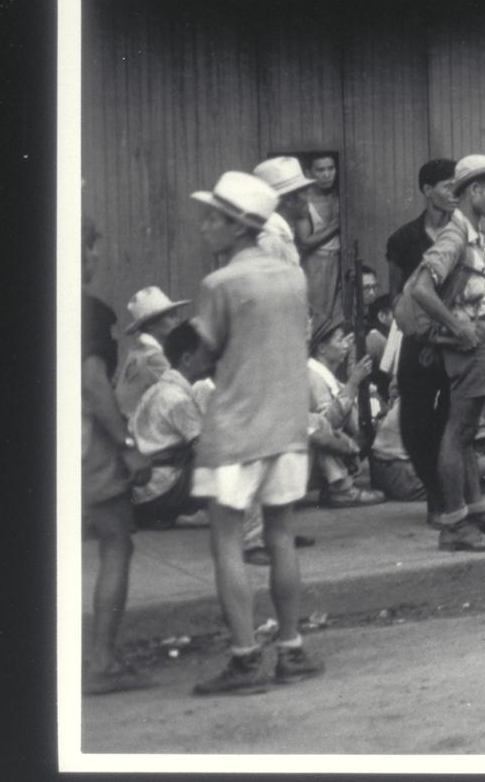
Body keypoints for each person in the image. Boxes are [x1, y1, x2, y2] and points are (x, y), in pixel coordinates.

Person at [183, 170, 322, 695]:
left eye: (211, 218)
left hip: (233, 430)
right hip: (285, 426)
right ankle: (291, 649)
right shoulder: (293, 277)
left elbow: (204, 356)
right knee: (281, 536)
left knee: (227, 543)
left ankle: (244, 659)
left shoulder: (219, 284)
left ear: (236, 226)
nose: (204, 227)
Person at [407, 154, 485, 553]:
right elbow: (422, 289)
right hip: (468, 346)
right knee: (459, 432)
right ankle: (455, 522)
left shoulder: (472, 232)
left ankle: (476, 511)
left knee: (468, 431)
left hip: (480, 340)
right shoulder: (455, 235)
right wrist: (458, 326)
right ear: (473, 190)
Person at [82, 215, 151, 696]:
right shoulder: (87, 312)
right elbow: (92, 387)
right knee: (115, 542)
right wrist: (126, 445)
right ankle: (102, 660)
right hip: (86, 443)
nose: (95, 255)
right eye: (89, 245)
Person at [386, 158, 458, 525]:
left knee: (451, 416)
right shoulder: (404, 239)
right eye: (447, 185)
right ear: (427, 190)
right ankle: (434, 491)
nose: (454, 193)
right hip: (417, 340)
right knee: (415, 420)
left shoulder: (464, 235)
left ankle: (450, 497)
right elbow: (396, 293)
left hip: (456, 339)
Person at [130, 320, 213, 531]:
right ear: (187, 359)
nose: (212, 357)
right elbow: (207, 448)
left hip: (144, 492)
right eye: (206, 352)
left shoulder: (157, 390)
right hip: (164, 491)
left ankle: (175, 514)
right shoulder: (179, 399)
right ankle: (190, 511)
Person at [305, 324, 384, 507]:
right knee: (323, 425)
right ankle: (340, 488)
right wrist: (354, 382)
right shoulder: (314, 377)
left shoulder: (324, 375)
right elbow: (329, 421)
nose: (345, 346)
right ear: (322, 348)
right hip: (311, 456)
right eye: (339, 340)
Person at [113, 286, 185, 419]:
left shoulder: (137, 351)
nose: (177, 320)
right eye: (171, 316)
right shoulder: (153, 358)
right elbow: (183, 396)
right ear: (151, 324)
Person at [296, 152, 344, 343]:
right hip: (315, 264)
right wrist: (336, 225)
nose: (327, 175)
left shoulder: (339, 195)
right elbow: (305, 242)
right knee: (317, 318)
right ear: (309, 172)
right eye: (320, 170)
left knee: (338, 317)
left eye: (331, 169)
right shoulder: (305, 201)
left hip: (339, 260)